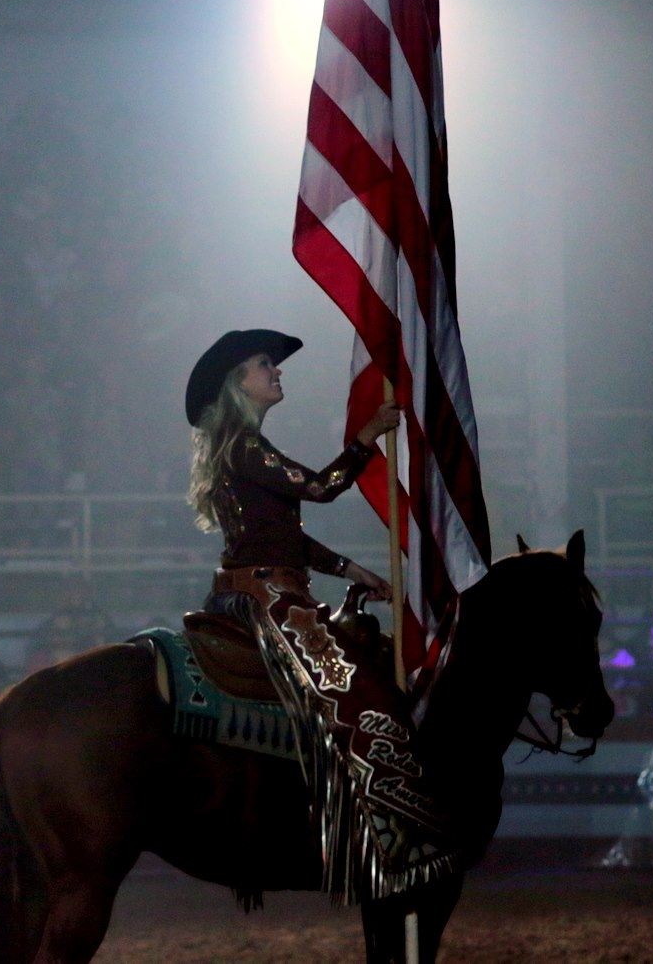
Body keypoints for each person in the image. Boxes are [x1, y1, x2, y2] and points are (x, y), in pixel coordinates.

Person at [183, 328, 453, 902]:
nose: (277, 371)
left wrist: (352, 571)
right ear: (239, 384)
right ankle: (393, 834)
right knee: (358, 694)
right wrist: (365, 439)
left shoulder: (241, 449)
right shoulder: (248, 448)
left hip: (260, 588)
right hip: (268, 599)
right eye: (264, 365)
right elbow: (321, 487)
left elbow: (282, 538)